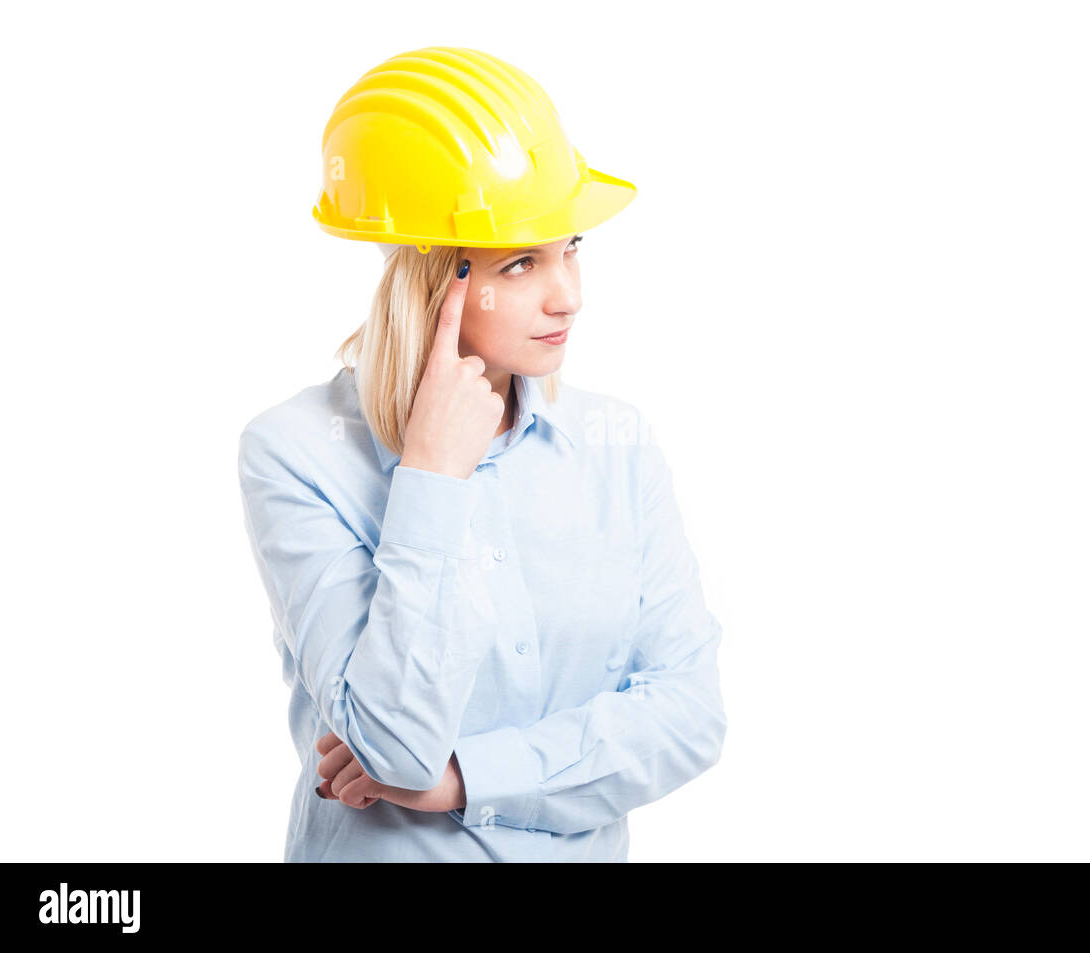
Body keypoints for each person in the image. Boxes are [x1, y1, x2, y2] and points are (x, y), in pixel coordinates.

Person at [236, 46, 727, 862]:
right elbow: (393, 744)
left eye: (570, 247)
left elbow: (689, 714)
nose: (568, 294)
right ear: (435, 282)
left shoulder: (619, 448)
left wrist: (467, 777)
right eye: (522, 262)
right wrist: (432, 475)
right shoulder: (293, 454)